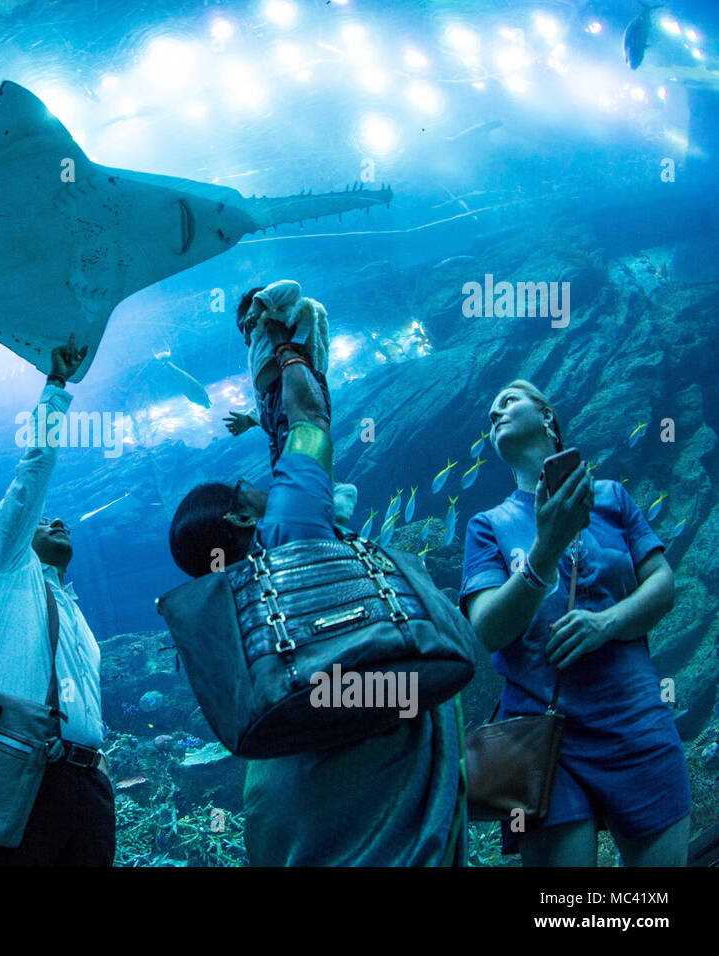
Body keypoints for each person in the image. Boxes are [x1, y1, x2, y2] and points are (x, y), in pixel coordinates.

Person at [169, 285, 465, 866]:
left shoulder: (243, 607)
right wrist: (281, 344)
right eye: (244, 488)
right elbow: (311, 422)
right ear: (239, 513)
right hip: (372, 789)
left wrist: (263, 415)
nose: (260, 483)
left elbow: (286, 451)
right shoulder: (291, 531)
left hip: (287, 800)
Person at [459, 380, 689, 866]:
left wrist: (605, 624)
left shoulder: (611, 497)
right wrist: (546, 545)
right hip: (543, 740)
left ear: (547, 415)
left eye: (508, 401)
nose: (495, 413)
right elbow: (487, 632)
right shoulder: (487, 524)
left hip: (637, 722)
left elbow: (662, 585)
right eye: (490, 412)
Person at [0, 334, 112, 867]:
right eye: (46, 521)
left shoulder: (72, 606)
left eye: (59, 521)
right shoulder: (3, 572)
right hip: (15, 774)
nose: (58, 521)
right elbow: (31, 479)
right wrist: (56, 389)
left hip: (86, 785)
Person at [223, 282, 332, 466]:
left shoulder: (275, 318)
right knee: (281, 461)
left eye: (245, 326)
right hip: (275, 405)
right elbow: (263, 399)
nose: (245, 338)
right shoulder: (259, 349)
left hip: (292, 391)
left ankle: (323, 488)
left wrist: (258, 305)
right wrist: (250, 419)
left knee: (298, 455)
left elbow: (293, 287)